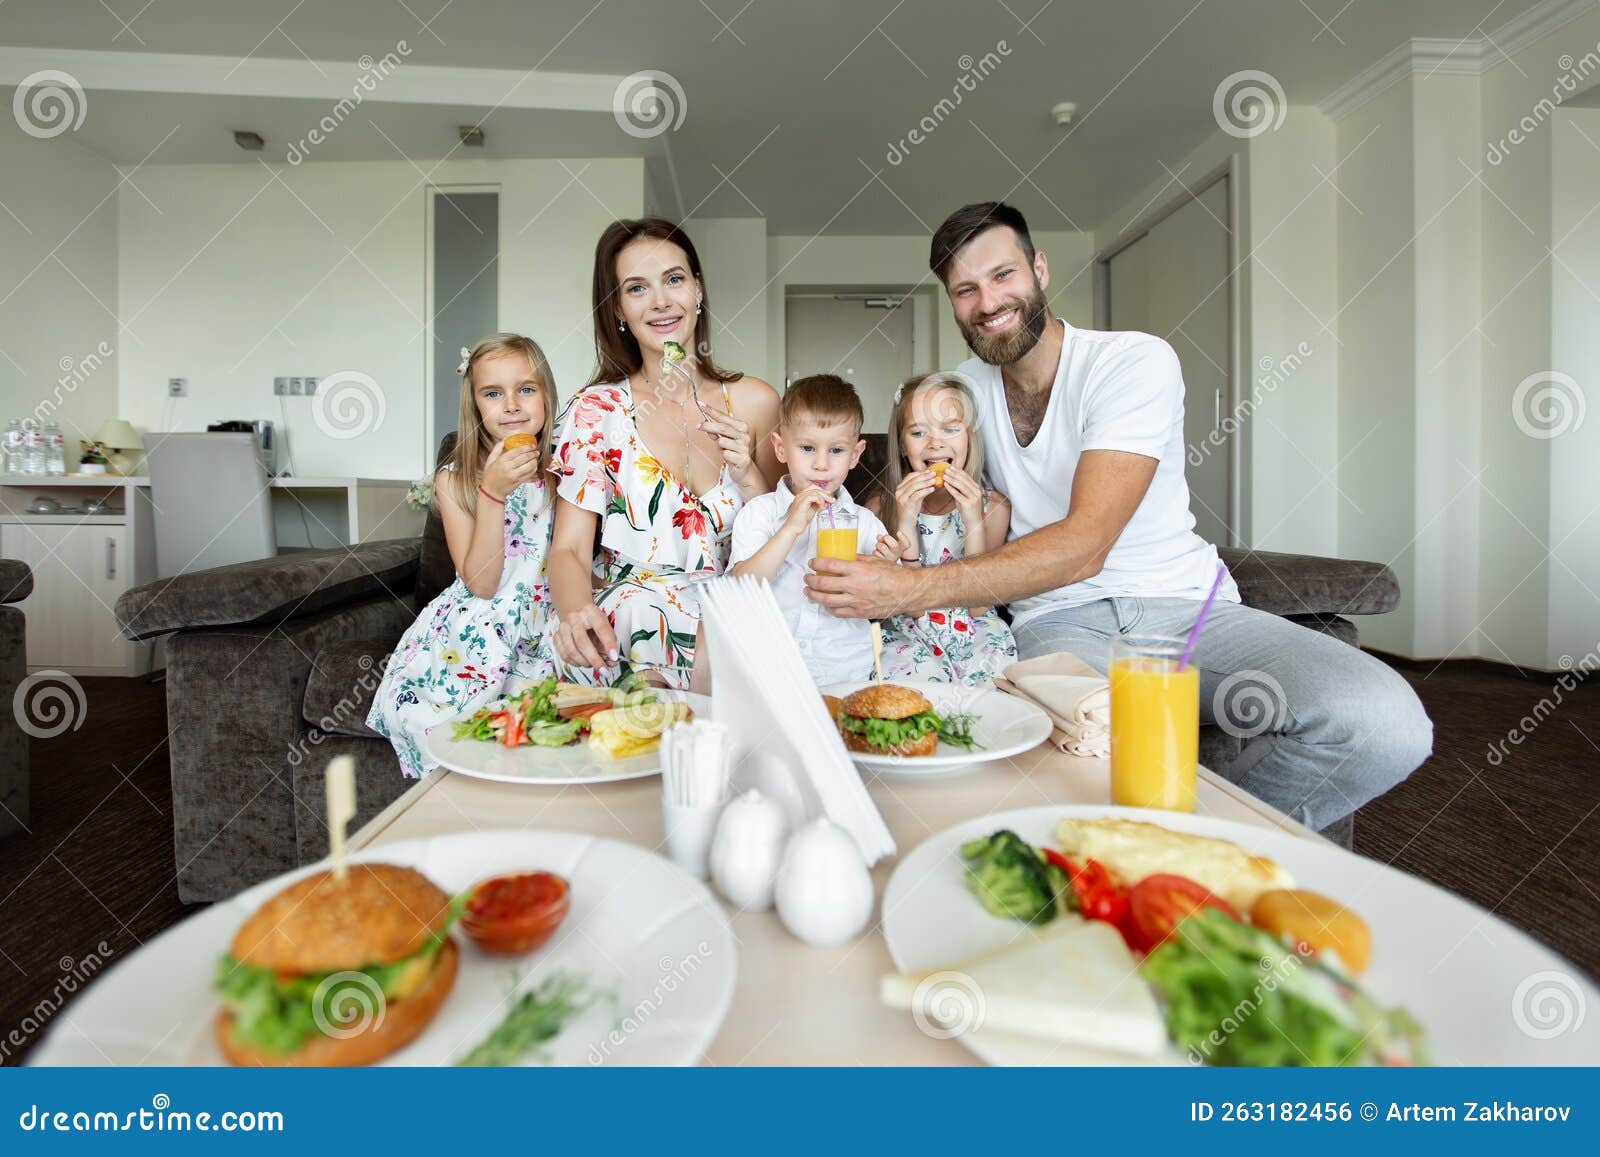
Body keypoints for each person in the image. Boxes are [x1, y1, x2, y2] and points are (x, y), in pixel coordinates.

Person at [805, 201, 1432, 834]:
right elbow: (913, 480)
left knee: (1384, 725)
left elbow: (1086, 544)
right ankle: (1156, 851)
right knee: (1073, 756)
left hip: (1184, 609)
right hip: (1056, 621)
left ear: (1039, 269)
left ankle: (1187, 846)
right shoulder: (960, 394)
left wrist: (908, 590)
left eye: (1003, 275)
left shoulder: (1132, 362)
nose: (988, 301)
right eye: (965, 289)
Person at [547, 217, 782, 692]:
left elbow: (779, 530)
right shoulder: (595, 411)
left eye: (674, 279)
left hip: (735, 601)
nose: (660, 302)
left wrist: (750, 471)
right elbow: (569, 550)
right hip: (635, 608)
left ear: (698, 289)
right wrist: (576, 615)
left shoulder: (757, 402)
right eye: (637, 288)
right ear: (618, 309)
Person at [368, 333, 559, 777]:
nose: (511, 405)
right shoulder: (455, 481)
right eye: (493, 394)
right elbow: (482, 583)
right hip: (482, 614)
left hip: (546, 613)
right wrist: (492, 493)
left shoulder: (564, 469)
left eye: (526, 390)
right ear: (475, 406)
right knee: (444, 714)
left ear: (547, 397)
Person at [729, 374, 900, 685]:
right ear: (781, 448)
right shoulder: (761, 513)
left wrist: (887, 567)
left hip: (846, 671)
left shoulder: (864, 524)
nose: (821, 464)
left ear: (855, 455)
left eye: (836, 451)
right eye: (807, 448)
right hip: (770, 672)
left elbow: (891, 604)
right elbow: (739, 590)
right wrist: (789, 530)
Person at [867, 371, 1018, 685]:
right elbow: (905, 608)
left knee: (989, 696)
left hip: (977, 633)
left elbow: (978, 607)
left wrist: (974, 521)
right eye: (919, 432)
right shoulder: (880, 509)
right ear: (902, 446)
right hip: (908, 633)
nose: (936, 443)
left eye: (950, 429)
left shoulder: (994, 508)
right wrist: (906, 521)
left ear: (969, 439)